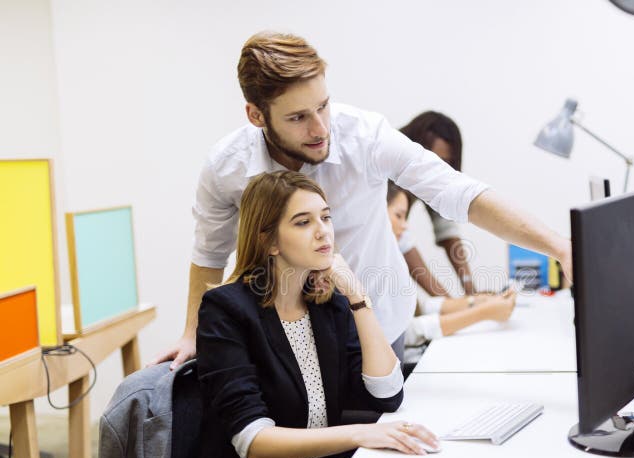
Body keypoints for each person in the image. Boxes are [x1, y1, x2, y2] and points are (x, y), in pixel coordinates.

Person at [152, 31, 572, 370]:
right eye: (298, 117)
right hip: (284, 337)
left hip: (377, 326)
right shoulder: (226, 167)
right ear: (256, 116)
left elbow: (459, 193)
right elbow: (209, 254)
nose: (320, 129)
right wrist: (192, 333)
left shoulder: (366, 136)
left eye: (323, 106)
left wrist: (560, 248)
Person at [194, 170, 438, 458]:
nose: (323, 230)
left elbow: (386, 393)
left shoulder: (326, 304)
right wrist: (358, 435)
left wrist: (358, 298)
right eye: (303, 222)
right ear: (270, 241)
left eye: (326, 217)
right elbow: (253, 440)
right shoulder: (226, 310)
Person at [386, 182, 516, 351]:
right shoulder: (372, 265)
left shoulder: (391, 255)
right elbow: (408, 332)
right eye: (399, 216)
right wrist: (483, 312)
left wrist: (474, 301)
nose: (405, 226)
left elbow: (418, 309)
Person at [398, 111, 476, 296]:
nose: (437, 170)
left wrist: (471, 291)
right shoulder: (388, 174)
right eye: (433, 161)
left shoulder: (428, 179)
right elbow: (402, 243)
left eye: (446, 163)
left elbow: (447, 228)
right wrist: (455, 304)